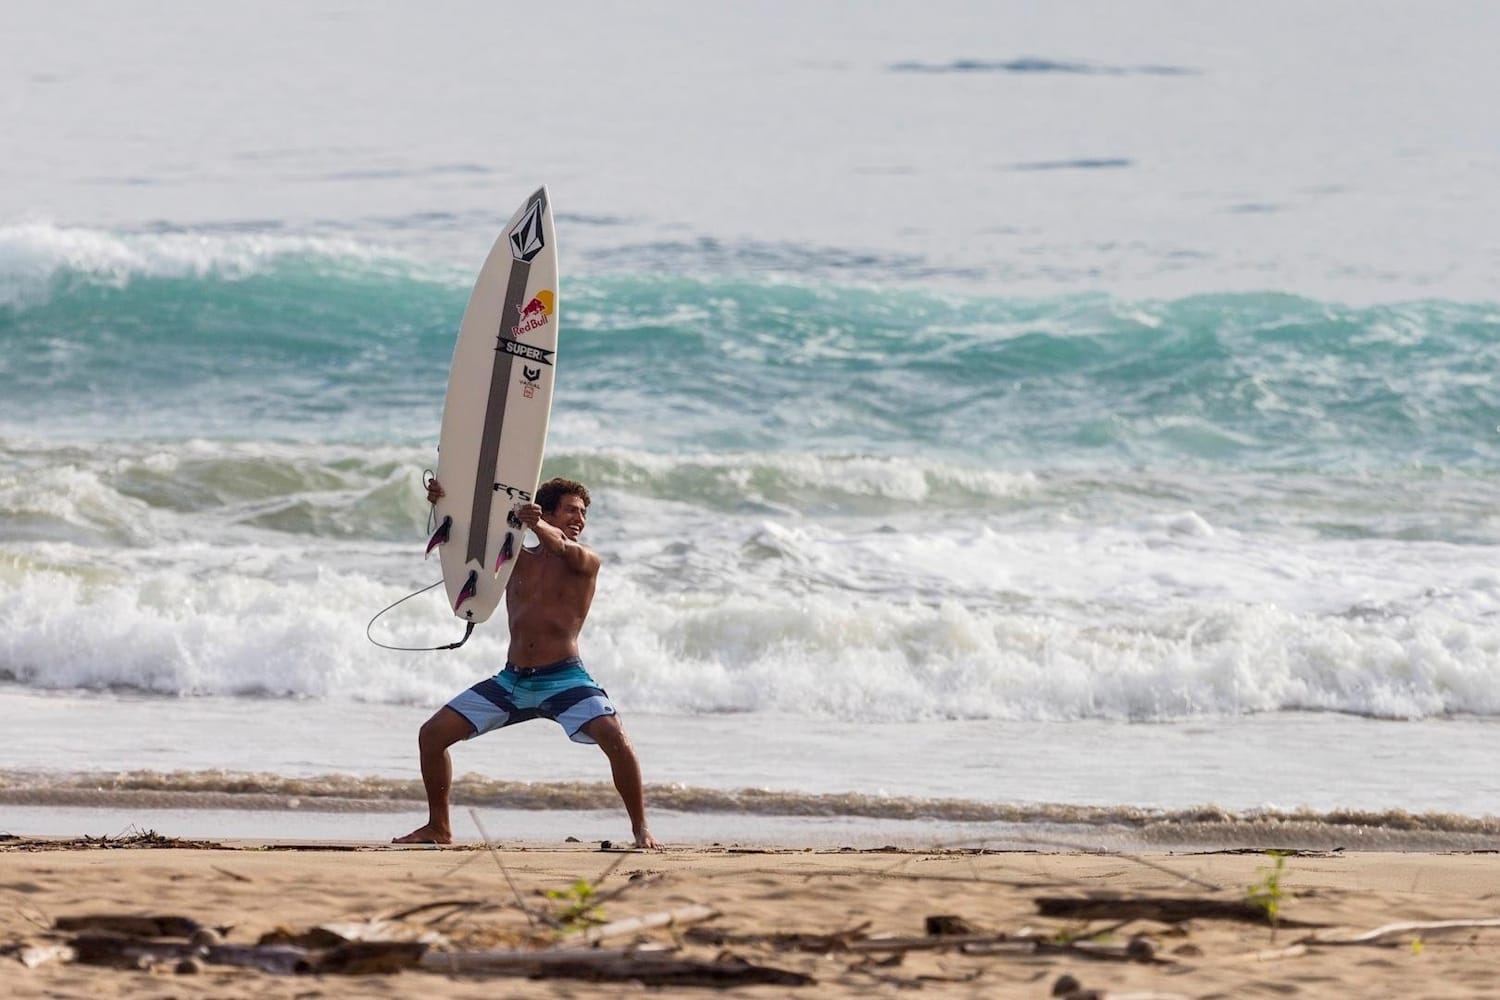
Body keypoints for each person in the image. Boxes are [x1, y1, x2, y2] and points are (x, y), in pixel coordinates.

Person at [394, 476, 660, 848]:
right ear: (547, 511)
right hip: (513, 681)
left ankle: (640, 829)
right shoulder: (513, 558)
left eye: (583, 513)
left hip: (565, 679)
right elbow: (461, 542)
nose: (579, 518)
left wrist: (536, 523)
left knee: (615, 738)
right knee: (432, 735)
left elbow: (563, 548)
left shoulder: (586, 560)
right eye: (570, 510)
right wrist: (442, 502)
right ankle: (439, 826)